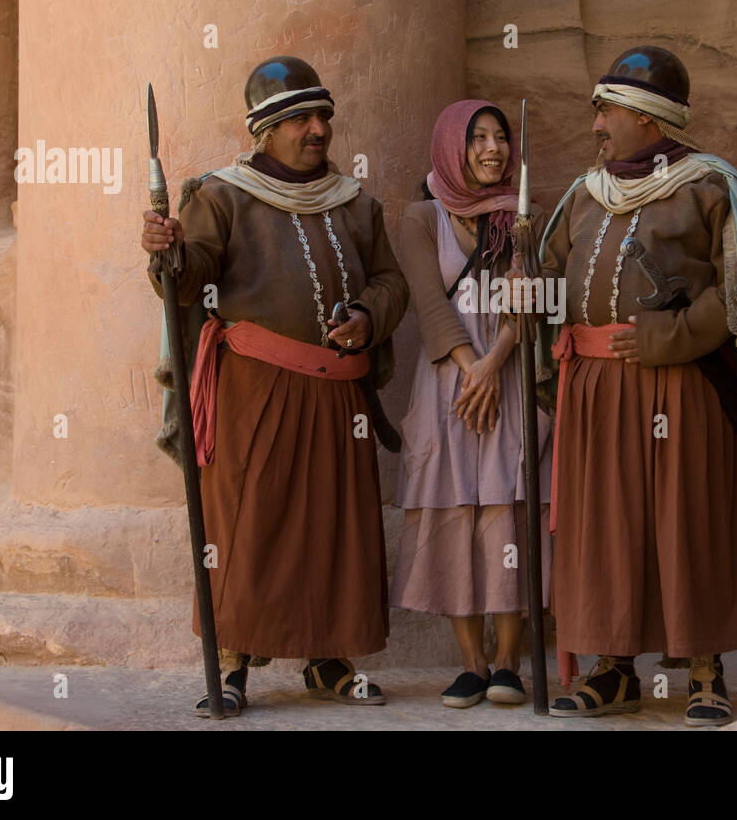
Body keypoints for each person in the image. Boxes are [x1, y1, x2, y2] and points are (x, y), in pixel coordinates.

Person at [539, 46, 737, 727]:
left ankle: (706, 669)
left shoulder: (710, 186)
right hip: (594, 391)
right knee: (607, 524)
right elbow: (550, 285)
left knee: (689, 518)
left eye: (608, 109)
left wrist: (666, 336)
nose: (596, 123)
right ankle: (614, 668)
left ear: (648, 118)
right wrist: (524, 293)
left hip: (683, 390)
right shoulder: (581, 195)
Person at [141, 55, 409, 715]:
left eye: (323, 116)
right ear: (263, 128)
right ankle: (232, 664)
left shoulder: (356, 203)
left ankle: (327, 658)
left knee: (336, 528)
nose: (318, 129)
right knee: (246, 526)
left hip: (338, 394)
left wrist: (368, 316)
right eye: (300, 119)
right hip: (253, 393)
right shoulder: (221, 196)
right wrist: (167, 249)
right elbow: (190, 276)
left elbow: (391, 282)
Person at [390, 100, 552, 709]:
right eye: (477, 138)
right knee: (454, 505)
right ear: (451, 146)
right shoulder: (419, 218)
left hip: (506, 377)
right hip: (447, 384)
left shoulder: (523, 218)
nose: (493, 149)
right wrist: (468, 368)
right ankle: (471, 663)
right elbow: (430, 305)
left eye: (500, 138)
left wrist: (494, 361)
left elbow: (533, 299)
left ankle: (510, 661)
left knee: (509, 504)